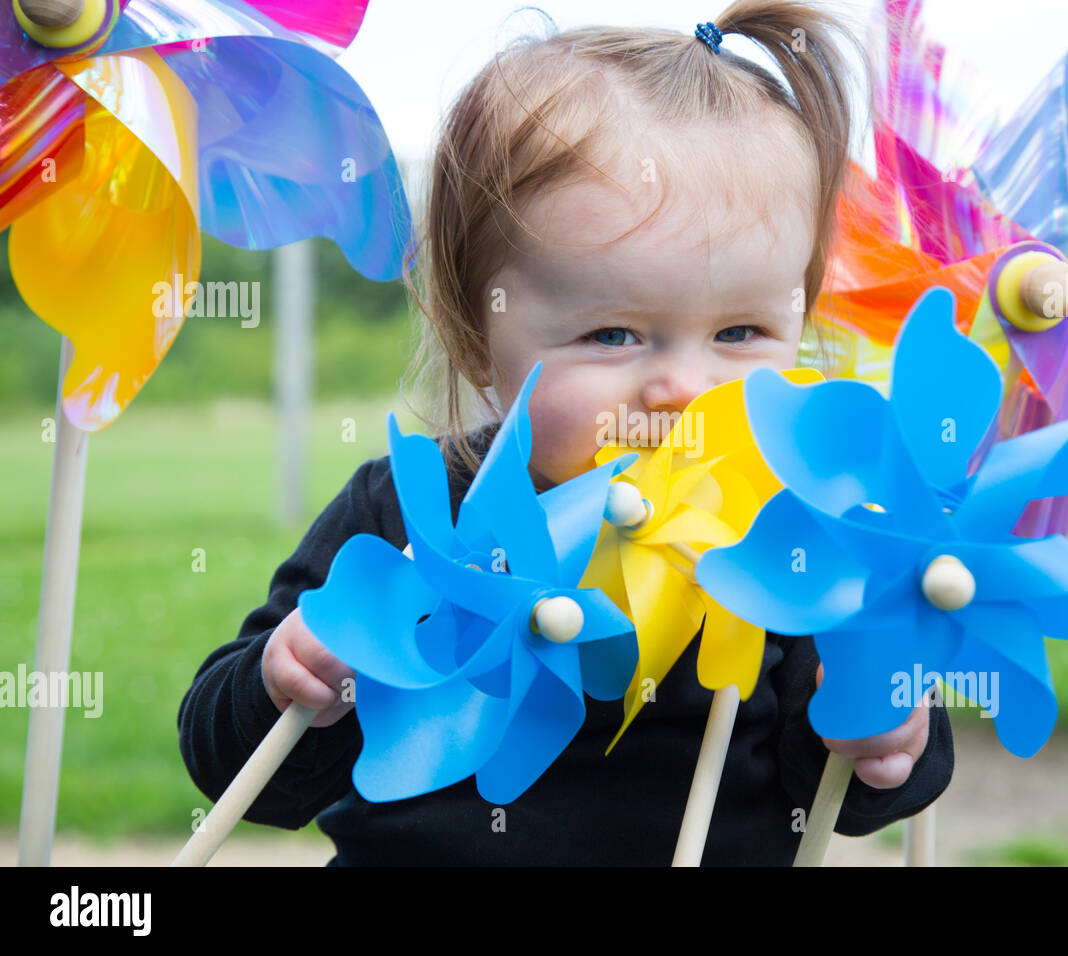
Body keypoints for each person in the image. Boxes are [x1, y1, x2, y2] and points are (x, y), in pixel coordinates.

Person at [179, 0, 954, 866]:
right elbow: (244, 770)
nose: (681, 389)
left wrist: (881, 740)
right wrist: (292, 684)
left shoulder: (794, 539)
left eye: (739, 335)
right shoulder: (412, 510)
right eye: (612, 334)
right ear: (480, 338)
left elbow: (837, 794)